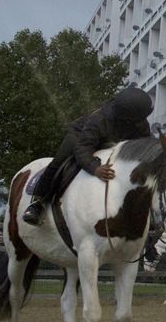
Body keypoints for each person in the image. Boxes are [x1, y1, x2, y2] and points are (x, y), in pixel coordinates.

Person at [22, 87, 153, 225]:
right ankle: (38, 202)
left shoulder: (139, 122)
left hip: (109, 142)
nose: (143, 122)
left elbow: (145, 146)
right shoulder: (99, 119)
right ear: (128, 117)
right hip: (80, 137)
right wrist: (95, 168)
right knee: (59, 161)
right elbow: (83, 148)